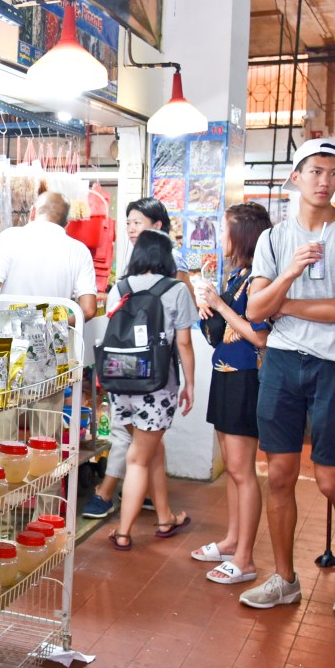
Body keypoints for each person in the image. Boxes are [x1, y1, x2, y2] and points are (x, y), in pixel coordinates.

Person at [241, 138, 335, 615]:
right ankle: (284, 579)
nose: (325, 181)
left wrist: (284, 305)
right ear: (296, 177)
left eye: (333, 172)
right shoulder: (273, 238)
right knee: (278, 475)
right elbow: (255, 310)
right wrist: (289, 275)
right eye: (316, 171)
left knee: (332, 479)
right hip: (282, 361)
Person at [83, 196, 185, 520]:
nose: (130, 228)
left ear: (157, 226)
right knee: (144, 442)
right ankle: (150, 506)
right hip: (146, 369)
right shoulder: (141, 268)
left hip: (137, 367)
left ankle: (110, 494)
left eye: (137, 222)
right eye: (127, 222)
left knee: (134, 439)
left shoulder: (168, 262)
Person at [189, 202, 272, 585]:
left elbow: (259, 336)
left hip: (245, 379)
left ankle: (245, 559)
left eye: (225, 230)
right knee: (234, 471)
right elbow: (223, 331)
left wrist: (219, 304)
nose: (221, 237)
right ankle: (232, 541)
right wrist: (208, 308)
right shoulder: (239, 275)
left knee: (242, 471)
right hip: (225, 373)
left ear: (243, 235)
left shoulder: (260, 280)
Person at [104, 230, 197, 550]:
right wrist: (190, 384)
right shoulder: (176, 290)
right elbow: (184, 343)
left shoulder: (119, 289)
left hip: (120, 382)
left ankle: (165, 517)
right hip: (156, 387)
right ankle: (123, 532)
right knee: (139, 458)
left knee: (150, 450)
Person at [0, 191, 97, 322]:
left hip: (9, 332)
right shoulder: (79, 251)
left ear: (33, 212)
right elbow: (88, 310)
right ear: (66, 224)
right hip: (54, 334)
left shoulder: (8, 237)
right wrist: (55, 325)